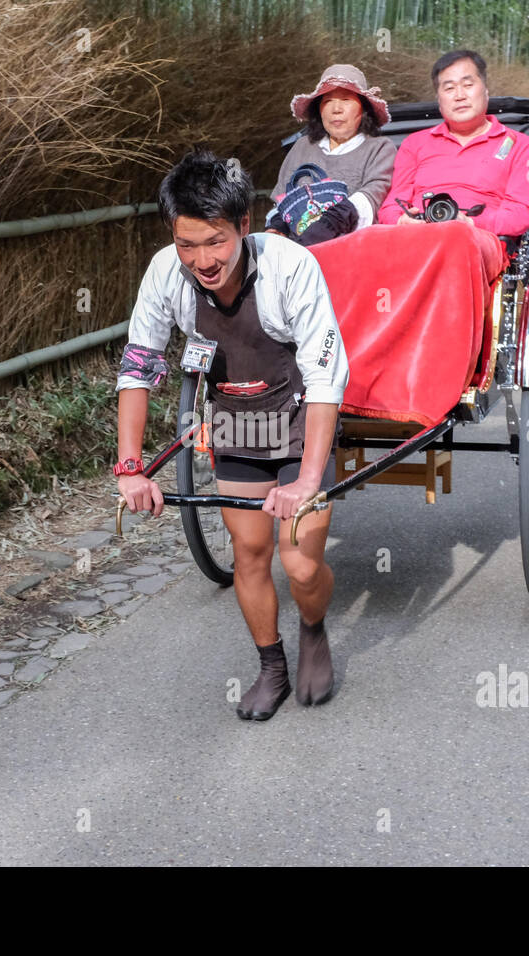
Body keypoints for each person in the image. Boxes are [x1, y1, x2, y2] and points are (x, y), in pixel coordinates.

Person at [115, 150, 348, 722]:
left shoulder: (290, 266)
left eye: (216, 241)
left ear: (245, 225)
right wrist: (130, 465)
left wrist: (309, 481)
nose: (203, 260)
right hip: (234, 421)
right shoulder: (165, 274)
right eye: (187, 244)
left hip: (297, 417)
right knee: (249, 553)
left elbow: (326, 376)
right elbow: (139, 367)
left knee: (299, 565)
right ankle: (272, 667)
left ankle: (313, 629)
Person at [377, 49, 529, 238]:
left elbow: (522, 213)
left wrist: (470, 222)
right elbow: (391, 205)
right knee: (356, 244)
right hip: (416, 236)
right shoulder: (414, 144)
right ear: (439, 101)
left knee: (454, 240)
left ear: (486, 92)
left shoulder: (521, 146)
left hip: (481, 238)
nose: (459, 95)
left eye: (468, 84)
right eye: (449, 88)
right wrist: (401, 220)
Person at [270, 64, 397, 242]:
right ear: (319, 110)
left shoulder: (380, 149)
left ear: (363, 109)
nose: (336, 109)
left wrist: (325, 227)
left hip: (353, 250)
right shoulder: (302, 147)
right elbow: (281, 199)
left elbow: (371, 198)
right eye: (327, 101)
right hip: (296, 252)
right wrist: (276, 228)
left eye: (346, 99)